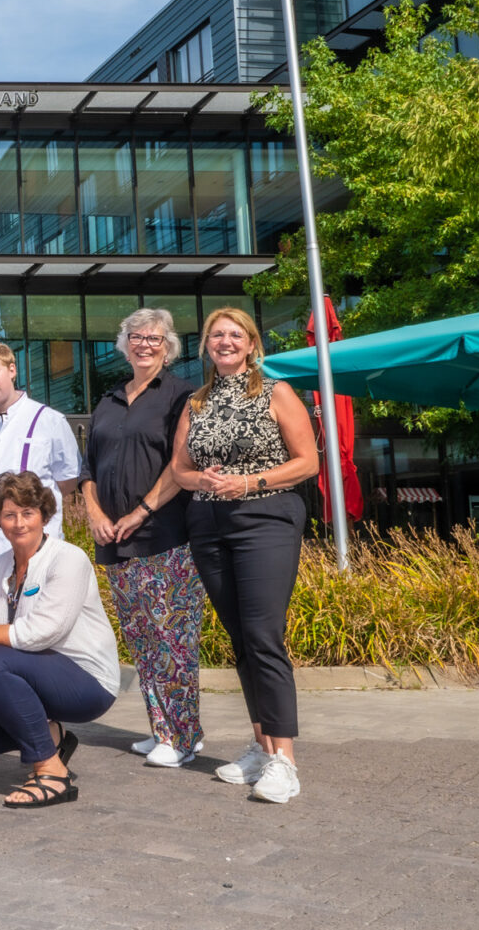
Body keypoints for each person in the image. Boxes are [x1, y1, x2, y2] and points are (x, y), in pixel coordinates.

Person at [172, 307, 317, 804]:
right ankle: (261, 745)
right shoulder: (196, 402)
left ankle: (285, 761)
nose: (226, 341)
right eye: (217, 335)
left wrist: (249, 481)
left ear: (252, 344)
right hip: (209, 524)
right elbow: (179, 470)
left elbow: (307, 461)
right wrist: (205, 481)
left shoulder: (276, 392)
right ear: (206, 346)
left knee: (263, 636)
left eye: (236, 335)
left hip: (265, 518)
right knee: (239, 637)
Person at [0, 471, 120, 808]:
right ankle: (51, 737)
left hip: (87, 681)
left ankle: (51, 772)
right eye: (9, 514)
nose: (19, 523)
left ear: (44, 515)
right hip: (34, 674)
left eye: (28, 513)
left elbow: (38, 634)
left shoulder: (68, 558)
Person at [80, 308, 203, 768]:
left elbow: (180, 464)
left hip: (164, 537)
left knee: (173, 639)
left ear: (168, 345)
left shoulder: (180, 395)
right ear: (124, 342)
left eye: (154, 338)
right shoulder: (110, 399)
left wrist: (141, 511)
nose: (144, 344)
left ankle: (184, 736)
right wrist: (93, 512)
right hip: (115, 541)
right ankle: (162, 729)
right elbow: (87, 468)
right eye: (136, 336)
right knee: (142, 640)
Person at [0, 342, 80, 624]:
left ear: (12, 370)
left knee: (36, 640)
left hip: (34, 553)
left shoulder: (49, 421)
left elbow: (67, 482)